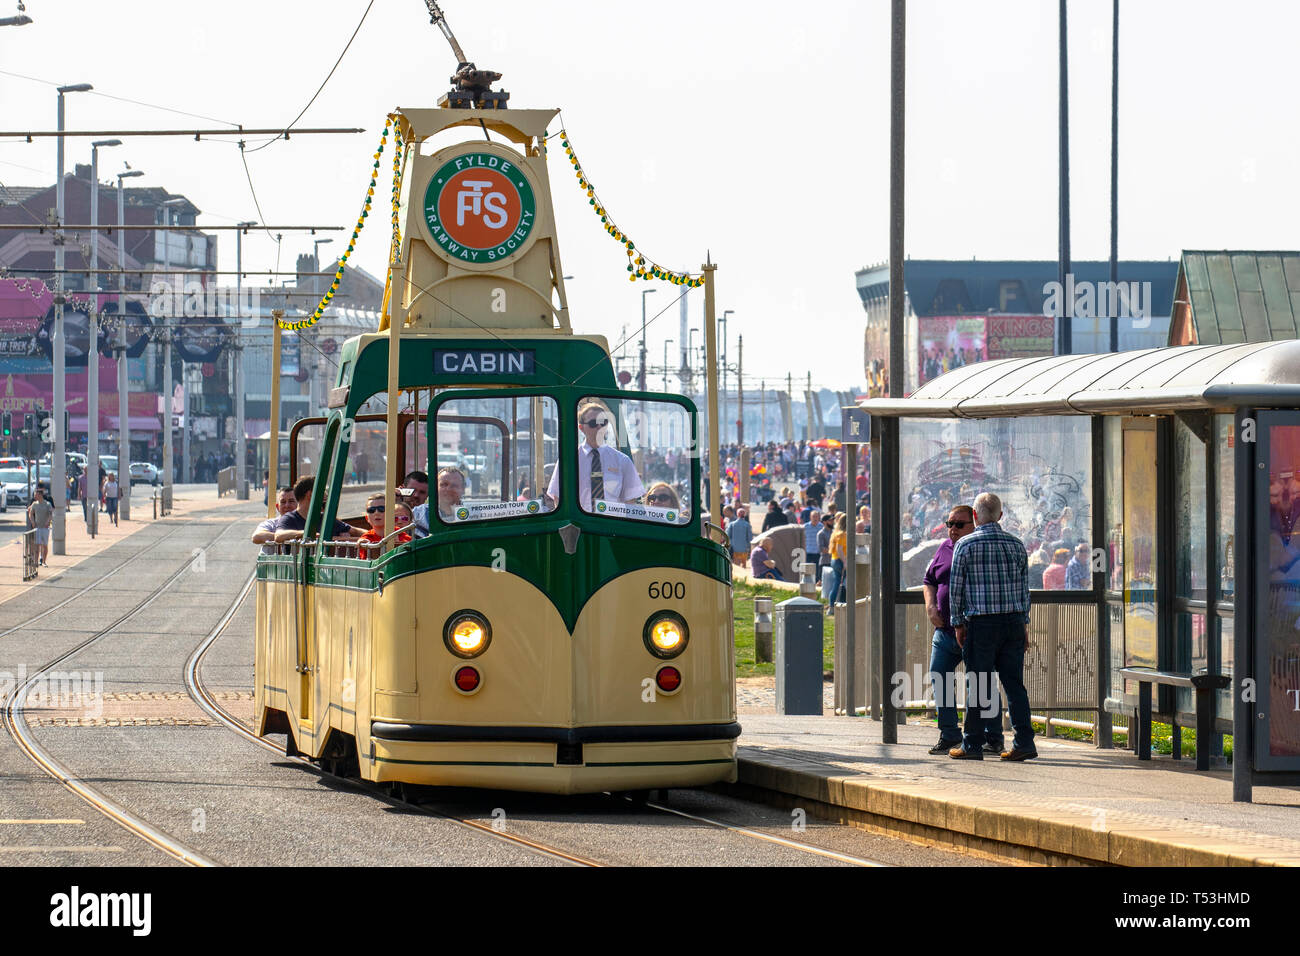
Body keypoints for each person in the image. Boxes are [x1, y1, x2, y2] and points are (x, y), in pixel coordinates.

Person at [947, 491, 1035, 761]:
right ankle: (1024, 743)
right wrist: (1023, 623)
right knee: (1014, 685)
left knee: (979, 683)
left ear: (975, 516)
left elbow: (956, 591)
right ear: (1000, 514)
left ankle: (972, 744)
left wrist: (958, 624)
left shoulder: (966, 545)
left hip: (982, 624)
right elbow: (1023, 591)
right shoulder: (1016, 545)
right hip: (1012, 623)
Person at [922, 505, 1004, 755]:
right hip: (945, 631)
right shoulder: (944, 548)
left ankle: (992, 737)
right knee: (939, 676)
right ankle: (949, 733)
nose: (952, 529)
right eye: (949, 524)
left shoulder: (981, 547)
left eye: (959, 524)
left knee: (981, 684)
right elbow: (929, 581)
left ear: (975, 523)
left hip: (975, 630)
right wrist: (931, 607)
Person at [546, 400, 644, 510]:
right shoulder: (568, 460)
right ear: (581, 428)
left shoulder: (622, 460)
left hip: (611, 524)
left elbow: (630, 500)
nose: (599, 427)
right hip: (579, 525)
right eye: (593, 423)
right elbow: (558, 497)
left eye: (603, 422)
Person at [273, 475, 361, 544]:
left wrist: (371, 536)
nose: (325, 496)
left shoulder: (324, 518)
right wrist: (307, 533)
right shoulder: (289, 519)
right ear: (310, 494)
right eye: (322, 491)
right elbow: (279, 536)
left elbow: (354, 531)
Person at [412, 467, 467, 536]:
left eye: (454, 485)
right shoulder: (417, 514)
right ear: (435, 487)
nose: (448, 489)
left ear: (463, 489)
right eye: (444, 484)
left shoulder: (472, 515)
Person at [252, 486, 298, 553]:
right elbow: (256, 537)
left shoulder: (303, 523)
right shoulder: (271, 524)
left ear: (298, 505)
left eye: (291, 501)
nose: (287, 505)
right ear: (277, 507)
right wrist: (282, 537)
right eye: (283, 502)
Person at [825, 512, 848, 613]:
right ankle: (834, 606)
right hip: (839, 560)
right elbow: (839, 549)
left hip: (835, 559)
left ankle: (832, 607)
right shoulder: (842, 535)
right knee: (838, 584)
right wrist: (845, 562)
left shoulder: (836, 533)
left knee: (837, 583)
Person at [27, 487, 53, 566]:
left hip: (45, 528)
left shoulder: (47, 504)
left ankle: (44, 561)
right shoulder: (34, 504)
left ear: (40, 495)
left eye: (36, 494)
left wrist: (48, 521)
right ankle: (36, 561)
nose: (35, 496)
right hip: (37, 527)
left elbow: (50, 514)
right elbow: (30, 513)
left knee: (45, 545)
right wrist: (33, 522)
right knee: (37, 545)